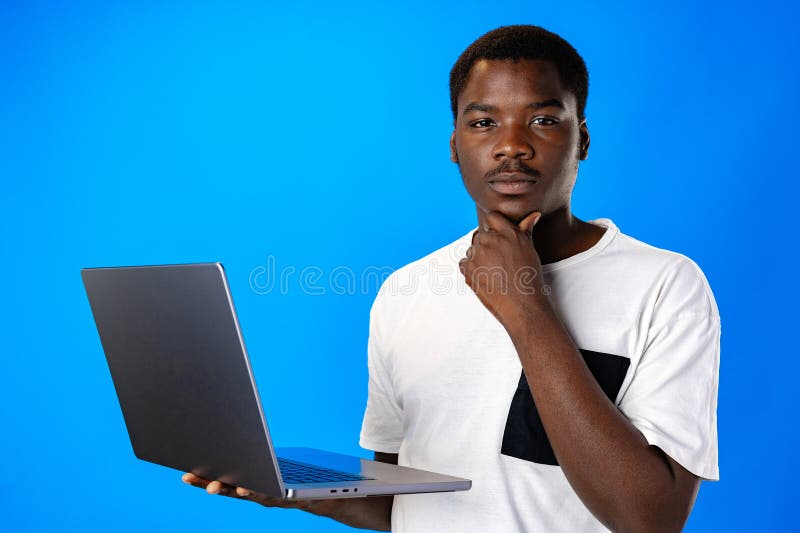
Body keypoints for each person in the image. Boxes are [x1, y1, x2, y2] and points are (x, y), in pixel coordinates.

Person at [183, 25, 720, 532]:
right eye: (483, 122)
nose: (511, 145)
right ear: (454, 146)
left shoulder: (665, 286)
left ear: (581, 140)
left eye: (543, 119)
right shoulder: (404, 291)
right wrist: (288, 488)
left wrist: (526, 308)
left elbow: (651, 518)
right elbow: (403, 505)